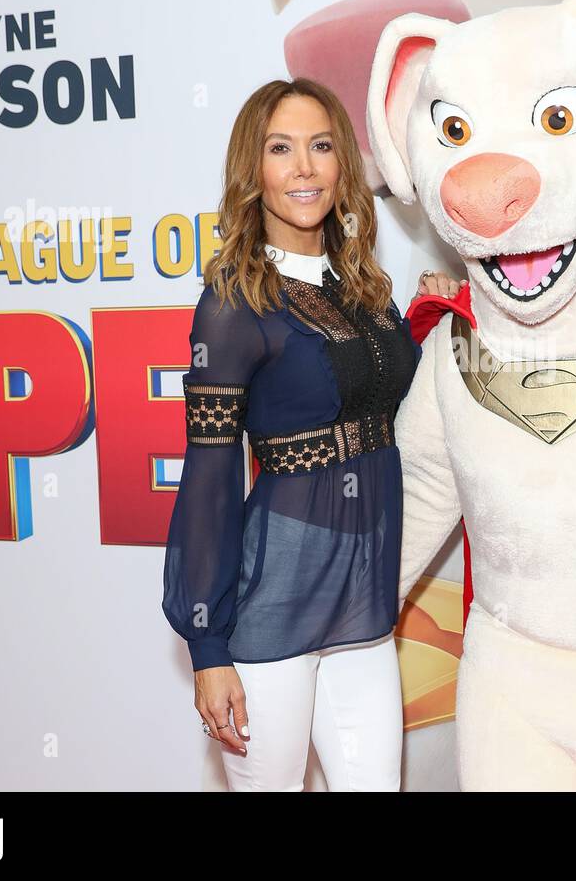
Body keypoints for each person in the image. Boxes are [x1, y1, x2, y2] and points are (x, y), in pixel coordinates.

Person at [161, 78, 462, 791]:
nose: (304, 167)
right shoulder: (234, 304)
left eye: (321, 146)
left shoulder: (364, 291)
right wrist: (207, 647)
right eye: (281, 148)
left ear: (341, 165)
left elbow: (401, 410)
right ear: (252, 170)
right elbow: (208, 477)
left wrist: (428, 320)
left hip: (363, 611)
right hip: (273, 615)